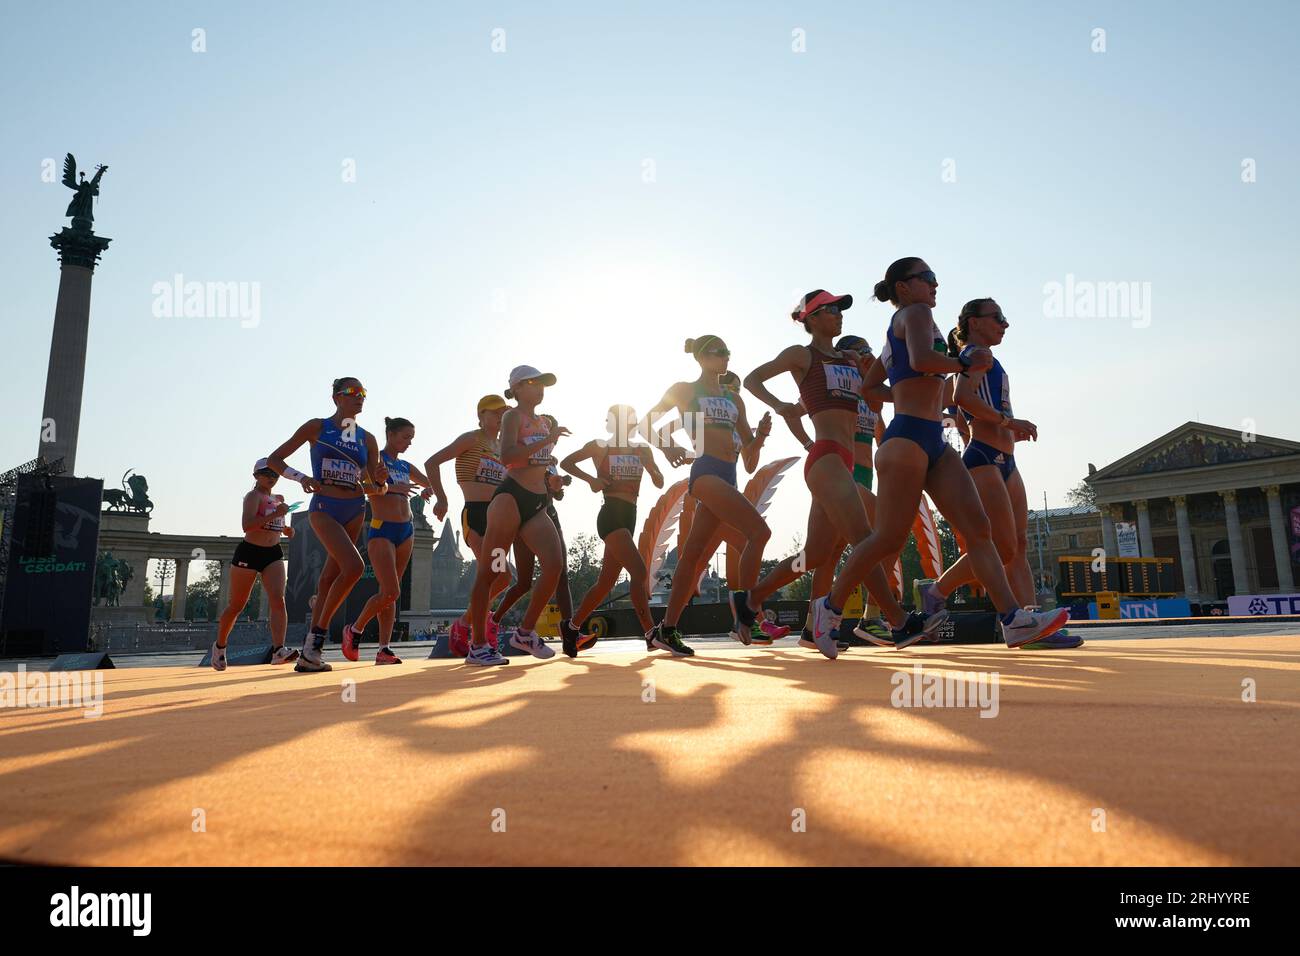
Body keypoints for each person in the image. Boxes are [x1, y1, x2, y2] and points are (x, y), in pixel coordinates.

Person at [808, 259, 1069, 655]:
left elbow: (870, 386)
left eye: (934, 280)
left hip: (931, 439)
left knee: (979, 530)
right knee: (888, 537)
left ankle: (1013, 619)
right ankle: (828, 609)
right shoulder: (915, 312)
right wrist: (959, 363)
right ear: (904, 287)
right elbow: (919, 361)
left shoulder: (908, 323)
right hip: (907, 440)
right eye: (927, 279)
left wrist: (915, 393)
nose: (935, 285)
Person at [743, 294, 942, 651]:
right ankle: (896, 621)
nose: (839, 316)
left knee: (816, 555)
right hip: (826, 458)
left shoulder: (848, 359)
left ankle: (751, 598)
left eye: (840, 310)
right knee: (866, 538)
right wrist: (781, 406)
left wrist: (872, 370)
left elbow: (876, 398)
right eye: (831, 310)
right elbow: (752, 379)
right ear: (811, 317)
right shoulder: (801, 354)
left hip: (845, 464)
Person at [918, 302, 1084, 649]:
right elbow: (961, 396)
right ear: (975, 322)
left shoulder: (981, 356)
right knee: (1003, 548)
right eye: (998, 318)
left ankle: (1033, 625)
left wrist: (1002, 425)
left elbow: (956, 401)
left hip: (1007, 459)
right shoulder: (976, 354)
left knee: (1018, 547)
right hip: (983, 459)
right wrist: (1007, 423)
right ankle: (939, 590)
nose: (1005, 324)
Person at [639, 335, 773, 655]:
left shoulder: (735, 399)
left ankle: (666, 629)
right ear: (700, 358)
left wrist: (761, 438)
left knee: (692, 557)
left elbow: (751, 460)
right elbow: (645, 424)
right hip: (706, 474)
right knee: (759, 532)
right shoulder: (684, 390)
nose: (724, 357)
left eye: (727, 352)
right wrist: (667, 445)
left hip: (729, 476)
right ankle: (746, 611)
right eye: (717, 352)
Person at [267, 377, 389, 672]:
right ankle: (316, 643)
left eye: (363, 393)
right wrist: (303, 479)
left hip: (355, 508)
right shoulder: (317, 427)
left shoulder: (368, 438)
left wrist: (382, 483)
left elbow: (374, 486)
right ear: (336, 397)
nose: (359, 398)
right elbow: (274, 459)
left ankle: (311, 653)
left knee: (326, 581)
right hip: (324, 508)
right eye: (352, 392)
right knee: (355, 568)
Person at [466, 366, 570, 665]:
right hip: (509, 501)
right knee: (491, 573)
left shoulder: (542, 421)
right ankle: (478, 645)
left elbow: (539, 459)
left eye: (543, 385)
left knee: (554, 566)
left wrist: (551, 470)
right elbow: (508, 457)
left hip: (536, 504)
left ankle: (524, 632)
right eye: (534, 384)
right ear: (518, 388)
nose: (540, 389)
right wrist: (546, 440)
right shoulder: (513, 416)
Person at [559, 404, 665, 656]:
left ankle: (572, 628)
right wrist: (591, 480)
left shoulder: (641, 449)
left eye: (630, 419)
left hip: (630, 516)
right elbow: (566, 462)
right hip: (611, 516)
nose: (626, 423)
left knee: (605, 583)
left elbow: (659, 480)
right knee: (639, 572)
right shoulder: (599, 446)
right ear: (610, 424)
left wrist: (653, 469)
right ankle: (650, 633)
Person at [342, 416, 435, 664]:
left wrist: (428, 489)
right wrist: (393, 488)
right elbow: (362, 486)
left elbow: (430, 482)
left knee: (391, 594)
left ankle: (384, 648)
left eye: (412, 439)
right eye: (405, 437)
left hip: (406, 530)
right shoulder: (375, 461)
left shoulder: (404, 466)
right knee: (391, 590)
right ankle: (355, 629)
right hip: (382, 529)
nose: (408, 443)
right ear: (391, 435)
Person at [425, 395, 514, 653]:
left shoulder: (501, 446)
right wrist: (441, 498)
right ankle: (478, 641)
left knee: (504, 576)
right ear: (481, 415)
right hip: (475, 515)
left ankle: (465, 622)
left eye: (504, 412)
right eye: (495, 412)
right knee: (489, 572)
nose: (500, 416)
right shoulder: (471, 439)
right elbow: (432, 462)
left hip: (497, 519)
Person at [211, 459, 298, 671]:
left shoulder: (278, 499)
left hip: (273, 553)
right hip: (249, 552)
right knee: (237, 605)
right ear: (256, 475)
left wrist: (285, 529)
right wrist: (277, 515)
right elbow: (247, 525)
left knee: (278, 600)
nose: (272, 477)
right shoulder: (253, 497)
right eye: (267, 472)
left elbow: (274, 523)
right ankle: (220, 647)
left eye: (276, 473)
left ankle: (278, 650)